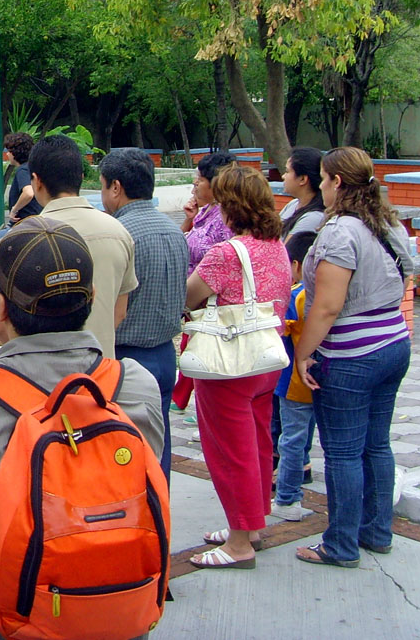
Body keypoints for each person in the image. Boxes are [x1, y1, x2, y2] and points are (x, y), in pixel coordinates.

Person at [0, 216, 163, 640]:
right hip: (120, 609)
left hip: (10, 617)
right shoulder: (134, 385)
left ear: (2, 306)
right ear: (93, 297)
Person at [295, 147, 413, 569]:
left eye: (325, 179)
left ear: (337, 183)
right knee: (376, 445)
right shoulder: (386, 223)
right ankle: (377, 532)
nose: (321, 186)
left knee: (343, 452)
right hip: (394, 342)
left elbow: (325, 307)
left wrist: (304, 355)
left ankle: (341, 545)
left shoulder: (339, 232)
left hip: (351, 354)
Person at [186, 164, 291, 569]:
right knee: (259, 444)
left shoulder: (227, 253)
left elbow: (190, 295)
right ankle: (249, 527)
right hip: (267, 356)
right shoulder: (275, 244)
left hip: (229, 364)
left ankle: (239, 543)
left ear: (230, 206)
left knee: (231, 452)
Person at [100, 147, 189, 480]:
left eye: (103, 186)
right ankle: (157, 519)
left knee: (121, 451)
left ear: (116, 188)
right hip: (165, 356)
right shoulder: (174, 231)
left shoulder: (121, 235)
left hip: (127, 358)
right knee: (158, 446)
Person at [24, 134, 137, 357]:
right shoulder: (119, 231)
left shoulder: (22, 238)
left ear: (37, 181)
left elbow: (2, 324)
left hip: (41, 375)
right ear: (82, 177)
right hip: (100, 373)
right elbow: (119, 312)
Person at [171, 151, 237, 416]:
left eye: (200, 179)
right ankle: (183, 397)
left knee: (197, 349)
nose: (195, 185)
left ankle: (187, 399)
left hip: (211, 302)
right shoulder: (206, 212)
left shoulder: (227, 219)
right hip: (194, 301)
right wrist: (189, 218)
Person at [271, 230, 317, 522]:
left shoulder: (296, 295)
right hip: (318, 379)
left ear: (298, 265)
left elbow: (280, 328)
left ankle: (287, 498)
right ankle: (295, 489)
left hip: (293, 383)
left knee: (291, 439)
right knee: (303, 437)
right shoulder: (324, 295)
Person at [280, 146, 326, 237]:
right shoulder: (293, 204)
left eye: (287, 171)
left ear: (302, 179)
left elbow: (285, 250)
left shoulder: (313, 218)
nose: (283, 176)